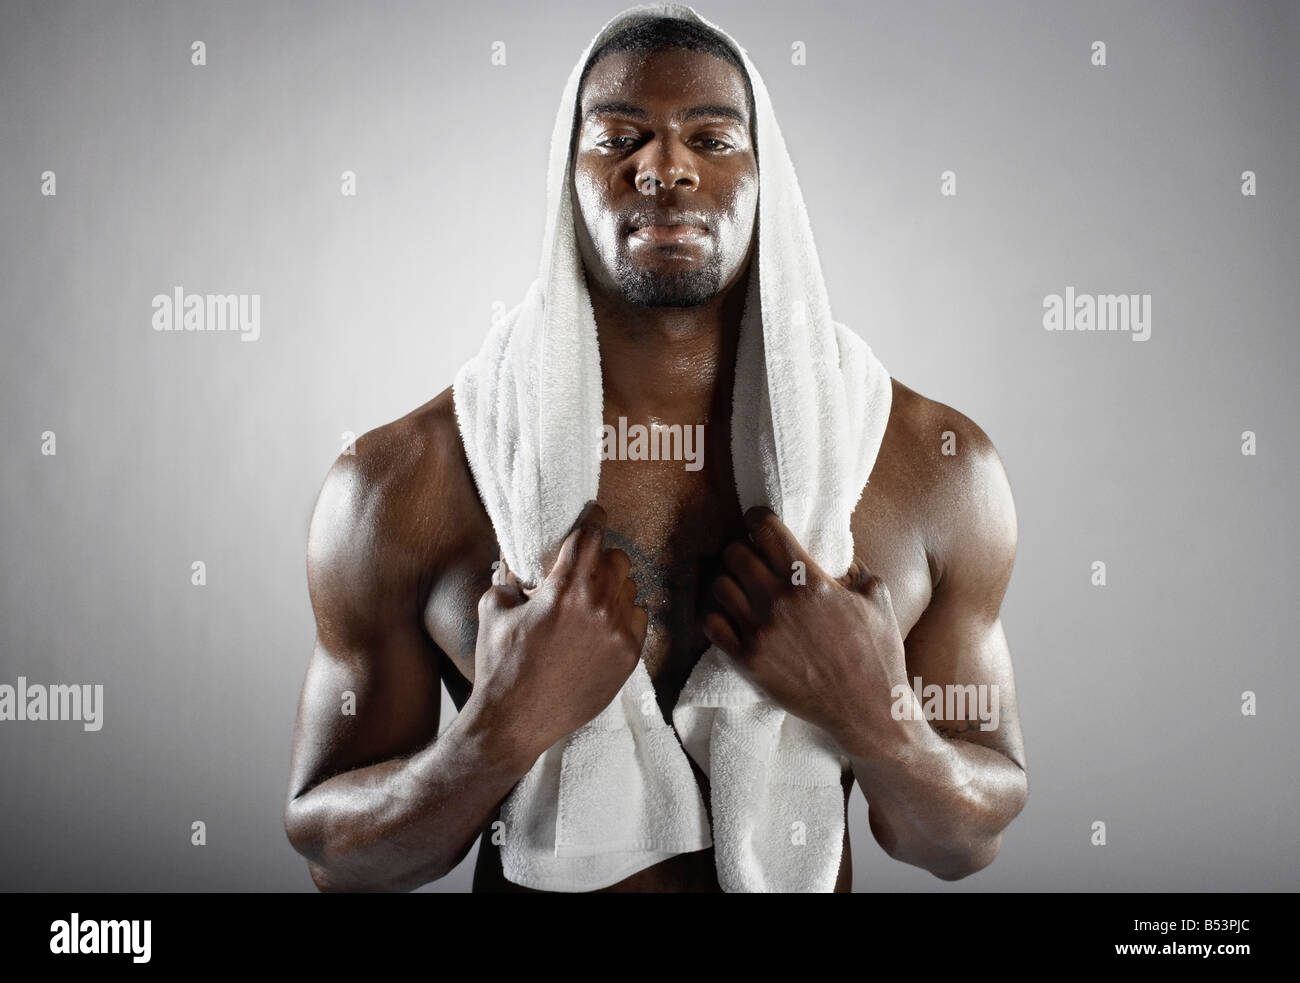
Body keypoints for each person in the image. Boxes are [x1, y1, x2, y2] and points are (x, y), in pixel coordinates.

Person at [284, 11, 1027, 893]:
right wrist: (501, 729)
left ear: (767, 177)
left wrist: (876, 716)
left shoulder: (932, 469)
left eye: (712, 138)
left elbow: (962, 842)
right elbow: (338, 858)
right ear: (567, 181)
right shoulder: (401, 485)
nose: (666, 167)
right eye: (620, 138)